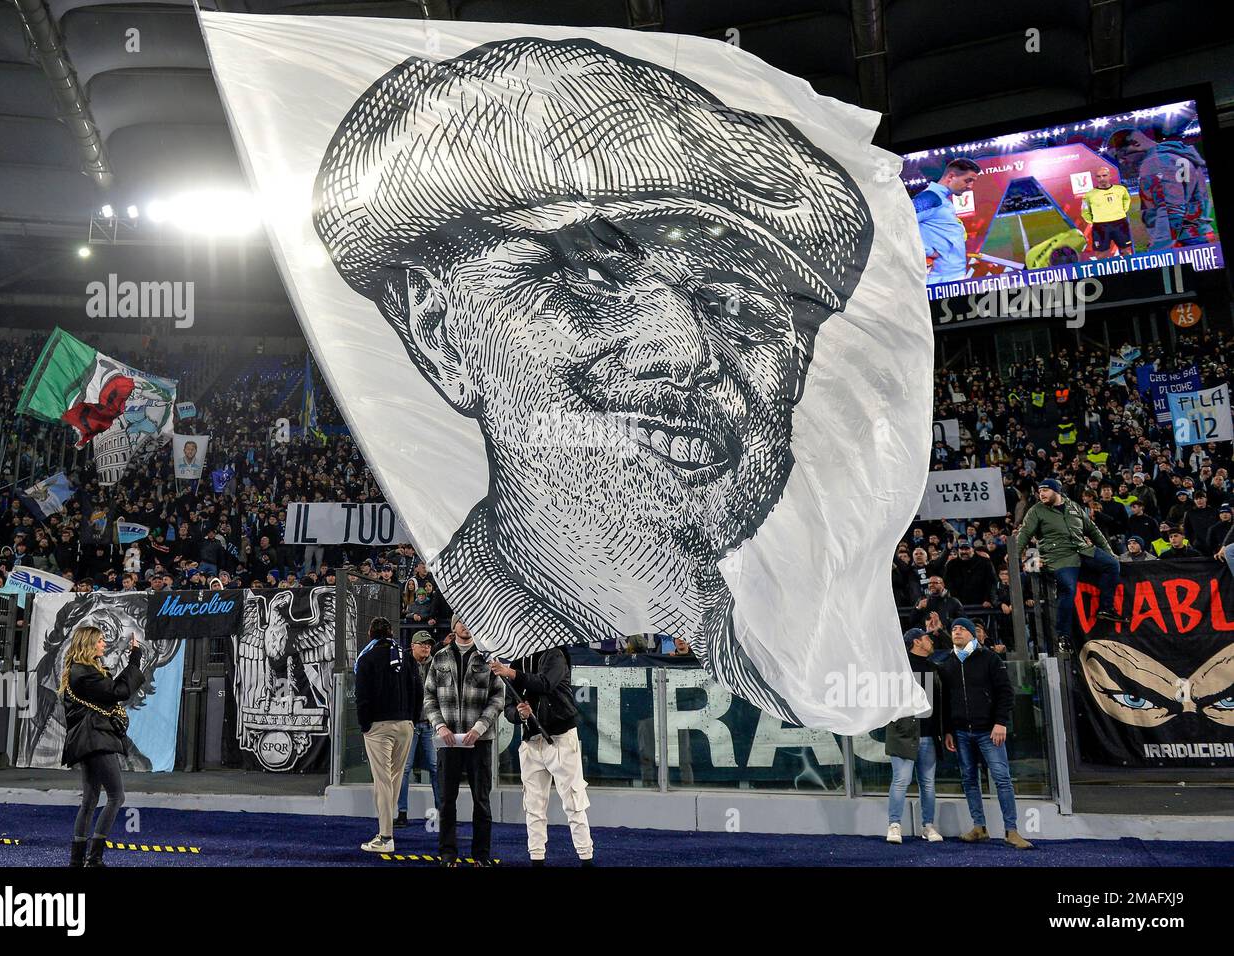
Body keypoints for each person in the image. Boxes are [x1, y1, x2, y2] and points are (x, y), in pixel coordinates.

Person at [311, 37, 875, 724]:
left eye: (738, 306)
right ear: (438, 327)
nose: (686, 352)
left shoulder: (793, 667)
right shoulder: (460, 645)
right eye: (596, 275)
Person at [491, 648, 595, 866]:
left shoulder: (556, 655)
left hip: (561, 737)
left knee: (574, 801)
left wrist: (510, 673)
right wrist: (520, 714)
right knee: (533, 805)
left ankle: (586, 857)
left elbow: (545, 683)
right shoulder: (519, 661)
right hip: (531, 740)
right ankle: (536, 858)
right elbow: (509, 707)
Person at [939, 618, 1032, 850]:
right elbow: (946, 702)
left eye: (961, 629)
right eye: (953, 629)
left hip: (989, 731)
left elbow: (1005, 693)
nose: (956, 632)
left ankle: (1011, 831)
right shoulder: (948, 663)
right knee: (969, 780)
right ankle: (979, 828)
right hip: (961, 733)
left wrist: (1000, 722)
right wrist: (948, 730)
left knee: (1002, 779)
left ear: (972, 634)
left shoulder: (990, 658)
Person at [61, 624, 145, 867]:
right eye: (100, 640)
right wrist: (135, 660)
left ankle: (78, 862)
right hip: (95, 739)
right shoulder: (85, 672)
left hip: (87, 740)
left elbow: (109, 691)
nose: (104, 644)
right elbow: (118, 691)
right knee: (116, 797)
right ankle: (94, 859)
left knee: (89, 800)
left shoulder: (79, 671)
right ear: (88, 644)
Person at [422, 619, 504, 866]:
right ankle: (448, 854)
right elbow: (429, 696)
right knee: (447, 800)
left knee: (482, 800)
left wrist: (479, 728)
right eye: (461, 622)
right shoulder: (439, 658)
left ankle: (481, 855)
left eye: (469, 621)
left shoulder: (488, 657)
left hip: (480, 741)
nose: (466, 626)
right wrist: (440, 726)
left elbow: (498, 698)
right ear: (453, 626)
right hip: (448, 742)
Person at [1013, 478, 1123, 654]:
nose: (1041, 494)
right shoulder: (1036, 510)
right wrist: (1014, 555)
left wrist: (1109, 552)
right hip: (1059, 557)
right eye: (1040, 491)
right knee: (1068, 589)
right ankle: (1063, 636)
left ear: (1057, 491)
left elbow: (1093, 530)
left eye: (1045, 490)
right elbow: (1025, 532)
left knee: (1112, 564)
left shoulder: (1073, 506)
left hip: (1082, 549)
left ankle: (1106, 608)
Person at [355, 616, 421, 854]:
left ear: (371, 634)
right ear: (391, 632)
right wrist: (412, 719)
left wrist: (365, 725)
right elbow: (418, 689)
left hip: (379, 727)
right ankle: (387, 829)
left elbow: (362, 696)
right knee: (394, 778)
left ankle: (385, 837)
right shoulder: (406, 656)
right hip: (405, 724)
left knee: (383, 781)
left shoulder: (366, 658)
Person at [884, 628, 943, 845]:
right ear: (917, 642)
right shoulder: (899, 667)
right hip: (903, 734)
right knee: (901, 780)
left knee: (928, 783)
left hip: (928, 735)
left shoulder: (933, 667)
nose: (931, 641)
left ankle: (928, 826)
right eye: (927, 638)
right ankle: (894, 824)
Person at [396, 631, 440, 827]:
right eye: (422, 644)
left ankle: (441, 812)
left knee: (436, 768)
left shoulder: (436, 664)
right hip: (410, 725)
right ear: (412, 645)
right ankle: (402, 813)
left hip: (430, 724)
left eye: (429, 644)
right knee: (404, 769)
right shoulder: (403, 665)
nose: (426, 647)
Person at [915, 158, 979, 283]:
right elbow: (898, 226)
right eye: (968, 180)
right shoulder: (930, 197)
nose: (970, 186)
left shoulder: (942, 199)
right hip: (939, 281)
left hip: (951, 280)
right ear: (951, 177)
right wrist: (927, 251)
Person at [1080, 165, 1133, 258]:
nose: (1102, 178)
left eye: (1104, 175)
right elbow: (1085, 211)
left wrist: (1121, 212)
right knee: (1101, 254)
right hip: (1100, 226)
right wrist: (1094, 220)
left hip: (1120, 223)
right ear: (1096, 178)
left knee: (1126, 251)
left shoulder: (1120, 189)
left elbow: (1126, 200)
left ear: (1109, 176)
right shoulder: (1089, 194)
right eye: (1099, 176)